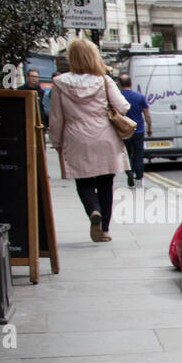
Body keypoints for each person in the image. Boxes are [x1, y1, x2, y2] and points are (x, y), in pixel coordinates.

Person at [47, 37, 128, 243]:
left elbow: (56, 117)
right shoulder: (103, 80)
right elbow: (123, 106)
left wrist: (56, 142)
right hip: (104, 136)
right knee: (105, 183)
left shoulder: (59, 83)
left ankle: (93, 211)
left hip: (76, 137)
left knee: (83, 182)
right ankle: (105, 229)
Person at [117, 75, 151, 188]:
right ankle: (138, 179)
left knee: (126, 154)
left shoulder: (118, 97)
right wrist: (149, 127)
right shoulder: (139, 97)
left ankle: (130, 173)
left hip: (124, 131)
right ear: (131, 83)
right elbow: (146, 114)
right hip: (139, 130)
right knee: (138, 155)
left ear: (120, 85)